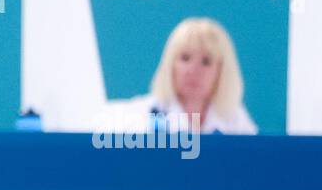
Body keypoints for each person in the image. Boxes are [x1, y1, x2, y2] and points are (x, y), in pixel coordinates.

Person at [105, 18, 257, 135]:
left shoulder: (235, 119)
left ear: (222, 71)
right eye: (185, 58)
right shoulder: (140, 115)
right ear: (170, 64)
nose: (193, 70)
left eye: (206, 61)